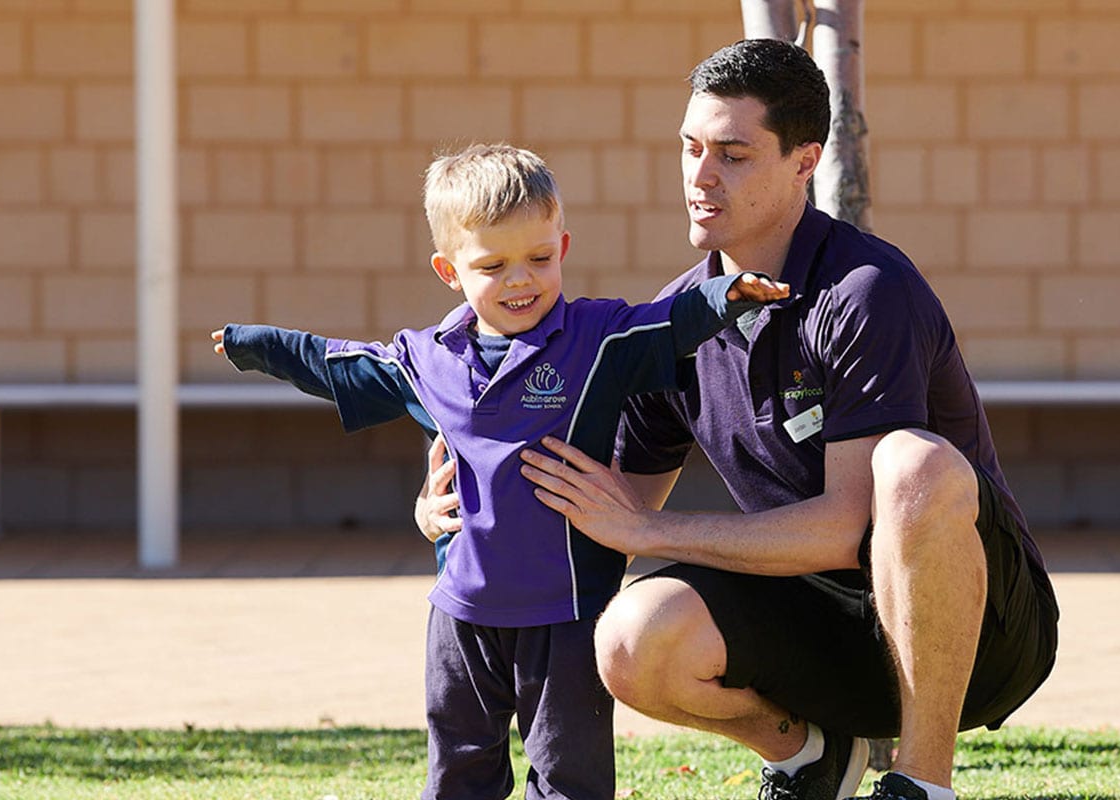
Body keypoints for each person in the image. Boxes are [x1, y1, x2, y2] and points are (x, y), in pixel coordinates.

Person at [417, 41, 1060, 800]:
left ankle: (922, 782)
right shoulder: (674, 326)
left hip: (980, 637)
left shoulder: (864, 290)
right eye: (690, 148)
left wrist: (655, 534)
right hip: (823, 632)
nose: (700, 175)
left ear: (803, 161)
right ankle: (809, 756)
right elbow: (597, 505)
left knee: (911, 467)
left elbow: (846, 525)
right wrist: (460, 510)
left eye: (733, 153)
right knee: (631, 637)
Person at [212, 144, 789, 800]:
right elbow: (336, 362)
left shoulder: (598, 338)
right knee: (459, 775)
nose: (522, 280)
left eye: (539, 259)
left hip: (568, 616)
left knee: (570, 781)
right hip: (461, 619)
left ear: (563, 247)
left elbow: (673, 319)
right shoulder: (424, 360)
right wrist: (257, 345)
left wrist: (733, 293)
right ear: (448, 270)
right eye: (493, 265)